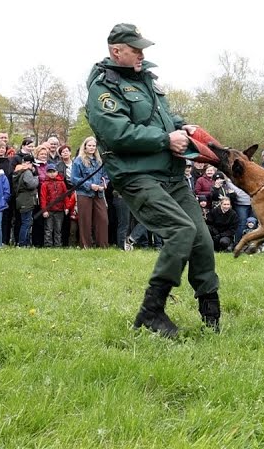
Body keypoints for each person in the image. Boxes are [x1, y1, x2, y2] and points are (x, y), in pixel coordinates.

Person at [86, 23, 219, 336]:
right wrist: (164, 139)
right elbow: (117, 133)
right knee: (180, 230)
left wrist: (183, 126)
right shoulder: (104, 88)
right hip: (136, 175)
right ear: (116, 51)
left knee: (201, 238)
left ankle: (211, 313)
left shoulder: (146, 80)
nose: (142, 54)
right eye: (136, 49)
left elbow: (163, 119)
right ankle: (151, 312)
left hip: (171, 175)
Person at [70, 136, 110, 249]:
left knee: (103, 219)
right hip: (84, 193)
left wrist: (104, 184)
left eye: (93, 146)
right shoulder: (78, 161)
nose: (92, 148)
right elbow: (74, 179)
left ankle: (102, 246)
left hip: (99, 194)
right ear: (85, 147)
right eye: (89, 146)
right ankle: (86, 245)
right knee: (85, 220)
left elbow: (105, 176)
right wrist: (89, 185)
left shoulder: (99, 160)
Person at [39, 162, 70, 248]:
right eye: (50, 172)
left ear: (57, 172)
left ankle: (58, 245)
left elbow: (65, 196)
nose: (52, 174)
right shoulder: (44, 184)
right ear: (47, 173)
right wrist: (44, 210)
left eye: (53, 171)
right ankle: (48, 245)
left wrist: (67, 207)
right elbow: (43, 198)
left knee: (58, 229)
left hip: (60, 210)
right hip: (49, 210)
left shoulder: (61, 182)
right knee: (48, 229)